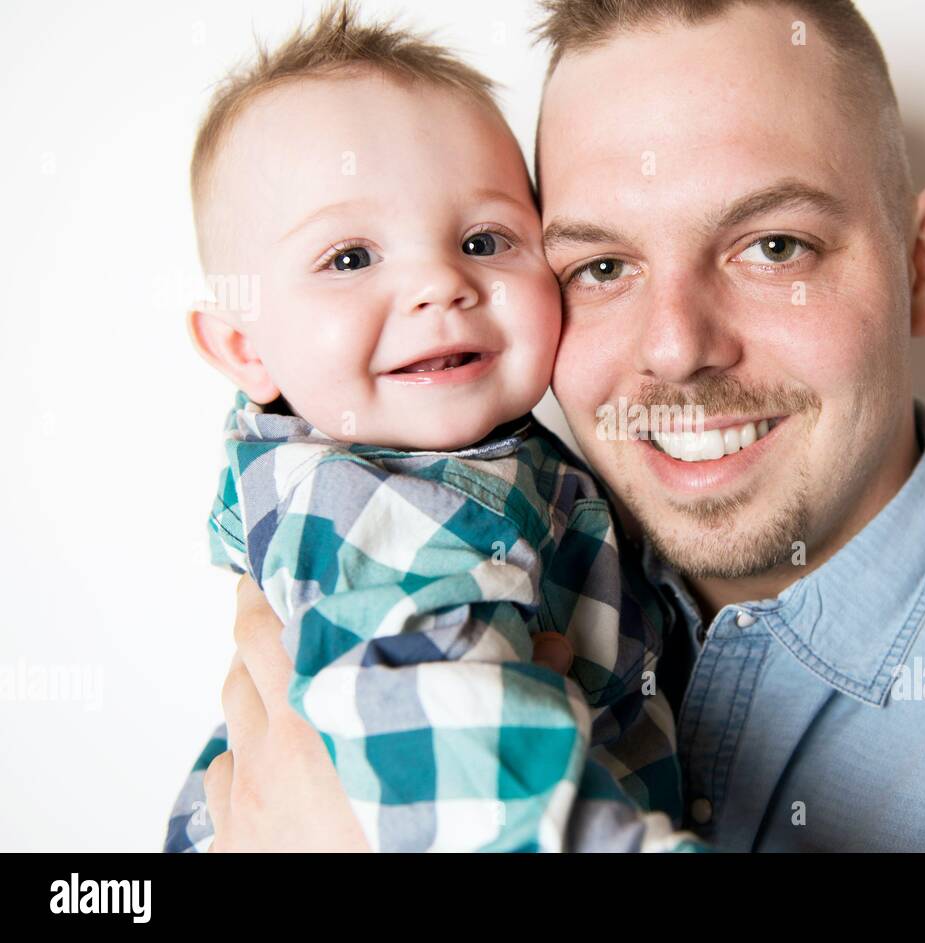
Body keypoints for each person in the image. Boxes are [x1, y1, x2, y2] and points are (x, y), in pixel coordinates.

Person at [206, 0, 925, 851]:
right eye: (601, 264)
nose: (676, 345)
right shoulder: (456, 540)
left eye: (772, 246)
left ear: (922, 267)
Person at [164, 2, 705, 853]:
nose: (440, 284)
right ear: (243, 346)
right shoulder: (372, 507)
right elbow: (461, 794)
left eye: (486, 240)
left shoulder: (482, 465)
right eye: (350, 258)